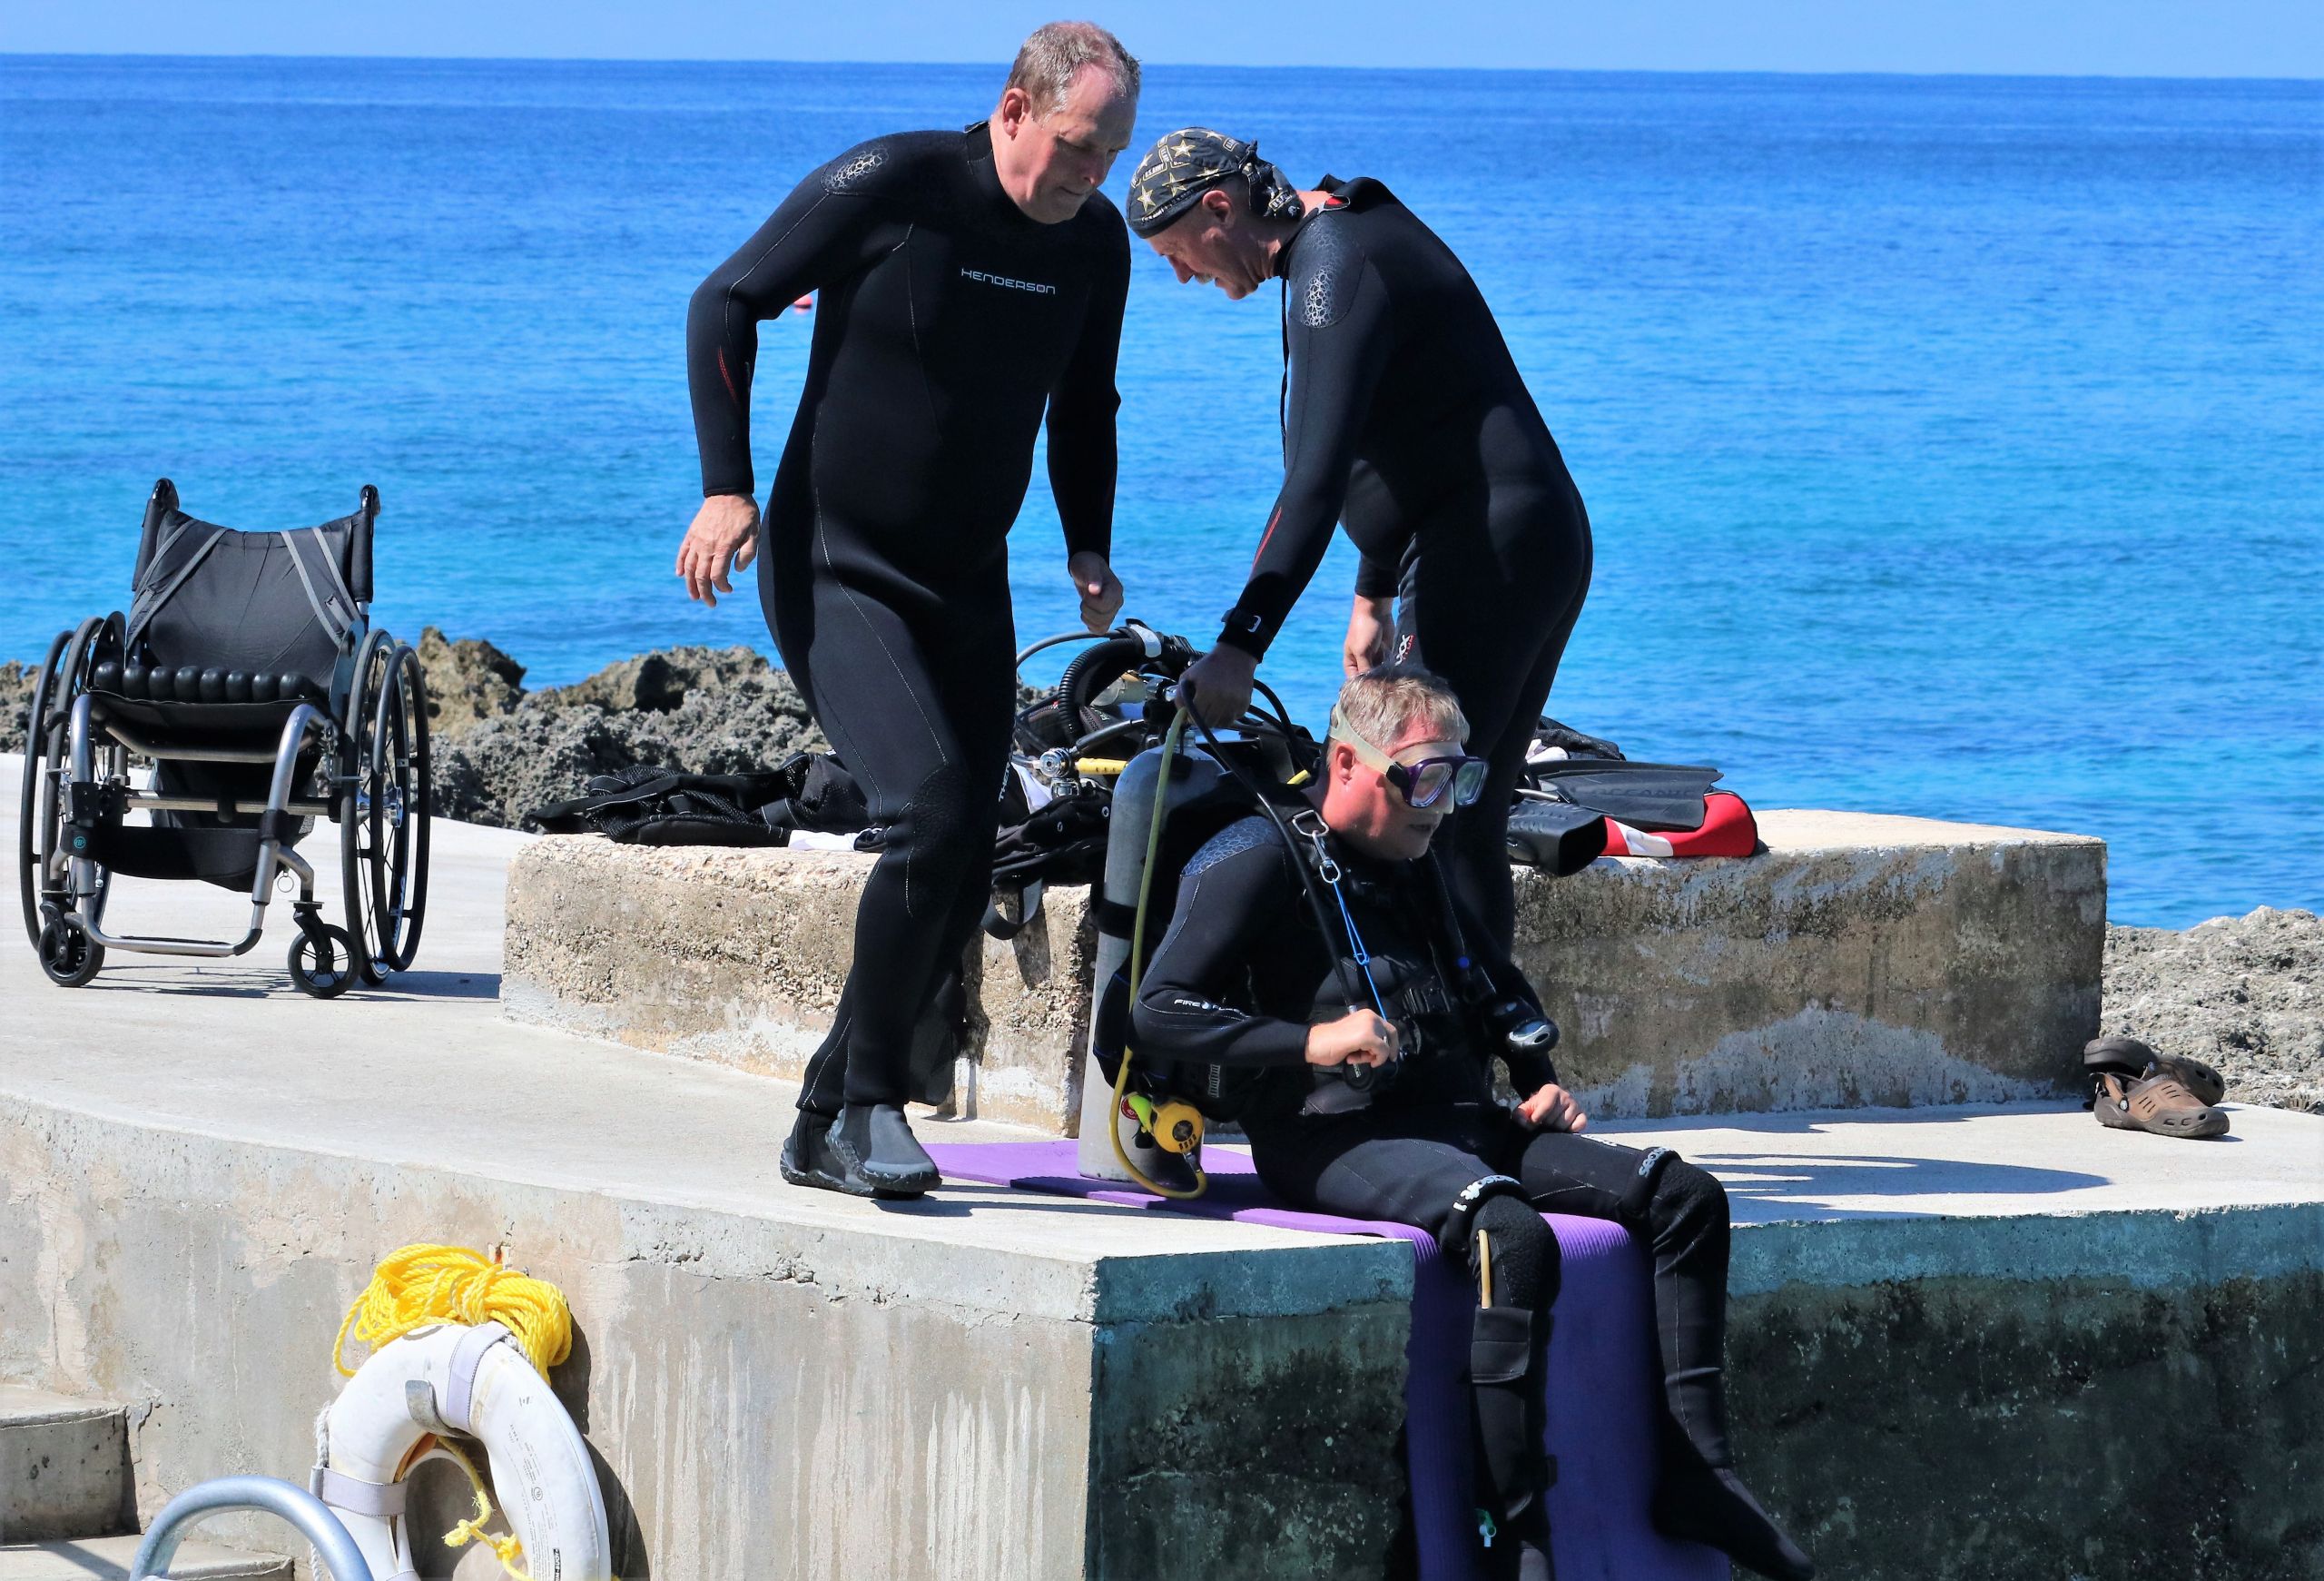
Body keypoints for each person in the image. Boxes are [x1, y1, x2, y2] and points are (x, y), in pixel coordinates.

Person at [1128, 666, 1814, 1581]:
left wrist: (1540, 1078)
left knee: (1683, 1194)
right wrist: (1311, 1041)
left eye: (1458, 778)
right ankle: (1513, 1523)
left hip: (1463, 1121)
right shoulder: (1258, 856)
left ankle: (1699, 1472)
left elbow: (1498, 988)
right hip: (1330, 1134)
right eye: (1420, 777)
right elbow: (1158, 1009)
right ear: (1345, 761)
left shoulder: (1421, 857)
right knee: (1510, 1234)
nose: (1440, 803)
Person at [680, 23, 1139, 1198]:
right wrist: (726, 486)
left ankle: (827, 1109)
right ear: (1014, 111)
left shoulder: (1093, 244)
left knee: (971, 830)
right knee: (931, 815)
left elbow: (1084, 406)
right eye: (1081, 146)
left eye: (1112, 152)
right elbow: (726, 301)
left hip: (965, 577)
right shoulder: (897, 185)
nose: (1094, 174)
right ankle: (870, 1105)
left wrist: (1088, 544)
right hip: (840, 563)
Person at [1125, 128, 1592, 957]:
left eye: (1176, 252)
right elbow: (1408, 426)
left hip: (1485, 549)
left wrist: (1242, 645)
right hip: (1517, 538)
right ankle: (1479, 1058)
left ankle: (1445, 1057)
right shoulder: (1345, 229)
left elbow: (1311, 483)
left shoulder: (1330, 273)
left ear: (1220, 208)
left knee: (1417, 807)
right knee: (1459, 811)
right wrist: (1372, 592)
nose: (1183, 275)